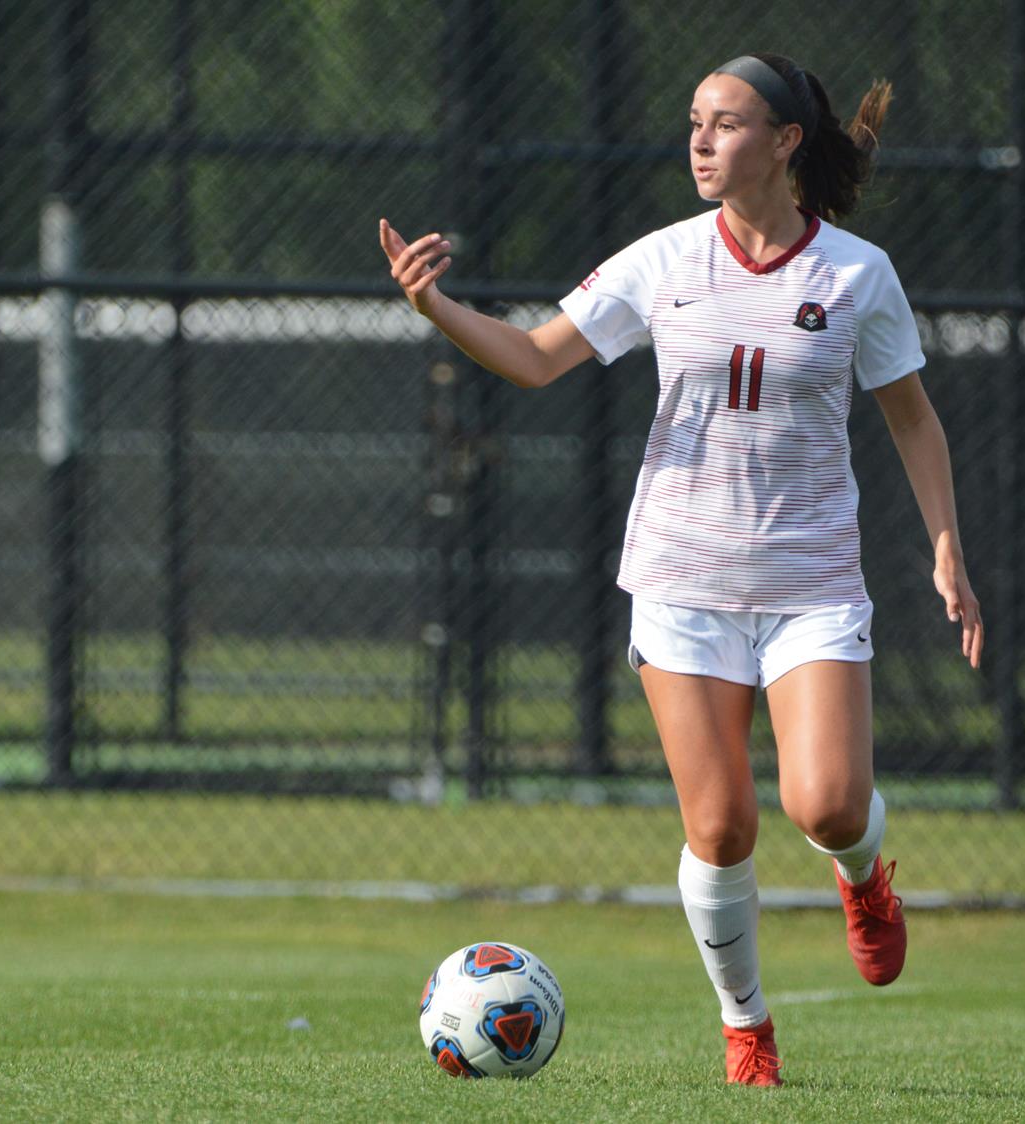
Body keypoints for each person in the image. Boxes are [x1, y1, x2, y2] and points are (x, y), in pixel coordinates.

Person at [379, 52, 983, 1088]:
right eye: (693, 121)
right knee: (720, 823)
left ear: (785, 143)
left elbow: (911, 420)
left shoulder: (854, 274)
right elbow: (534, 356)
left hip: (808, 583)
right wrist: (433, 306)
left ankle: (861, 877)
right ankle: (745, 1024)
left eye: (726, 123)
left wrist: (945, 549)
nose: (700, 141)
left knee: (827, 803)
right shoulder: (659, 261)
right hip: (680, 579)